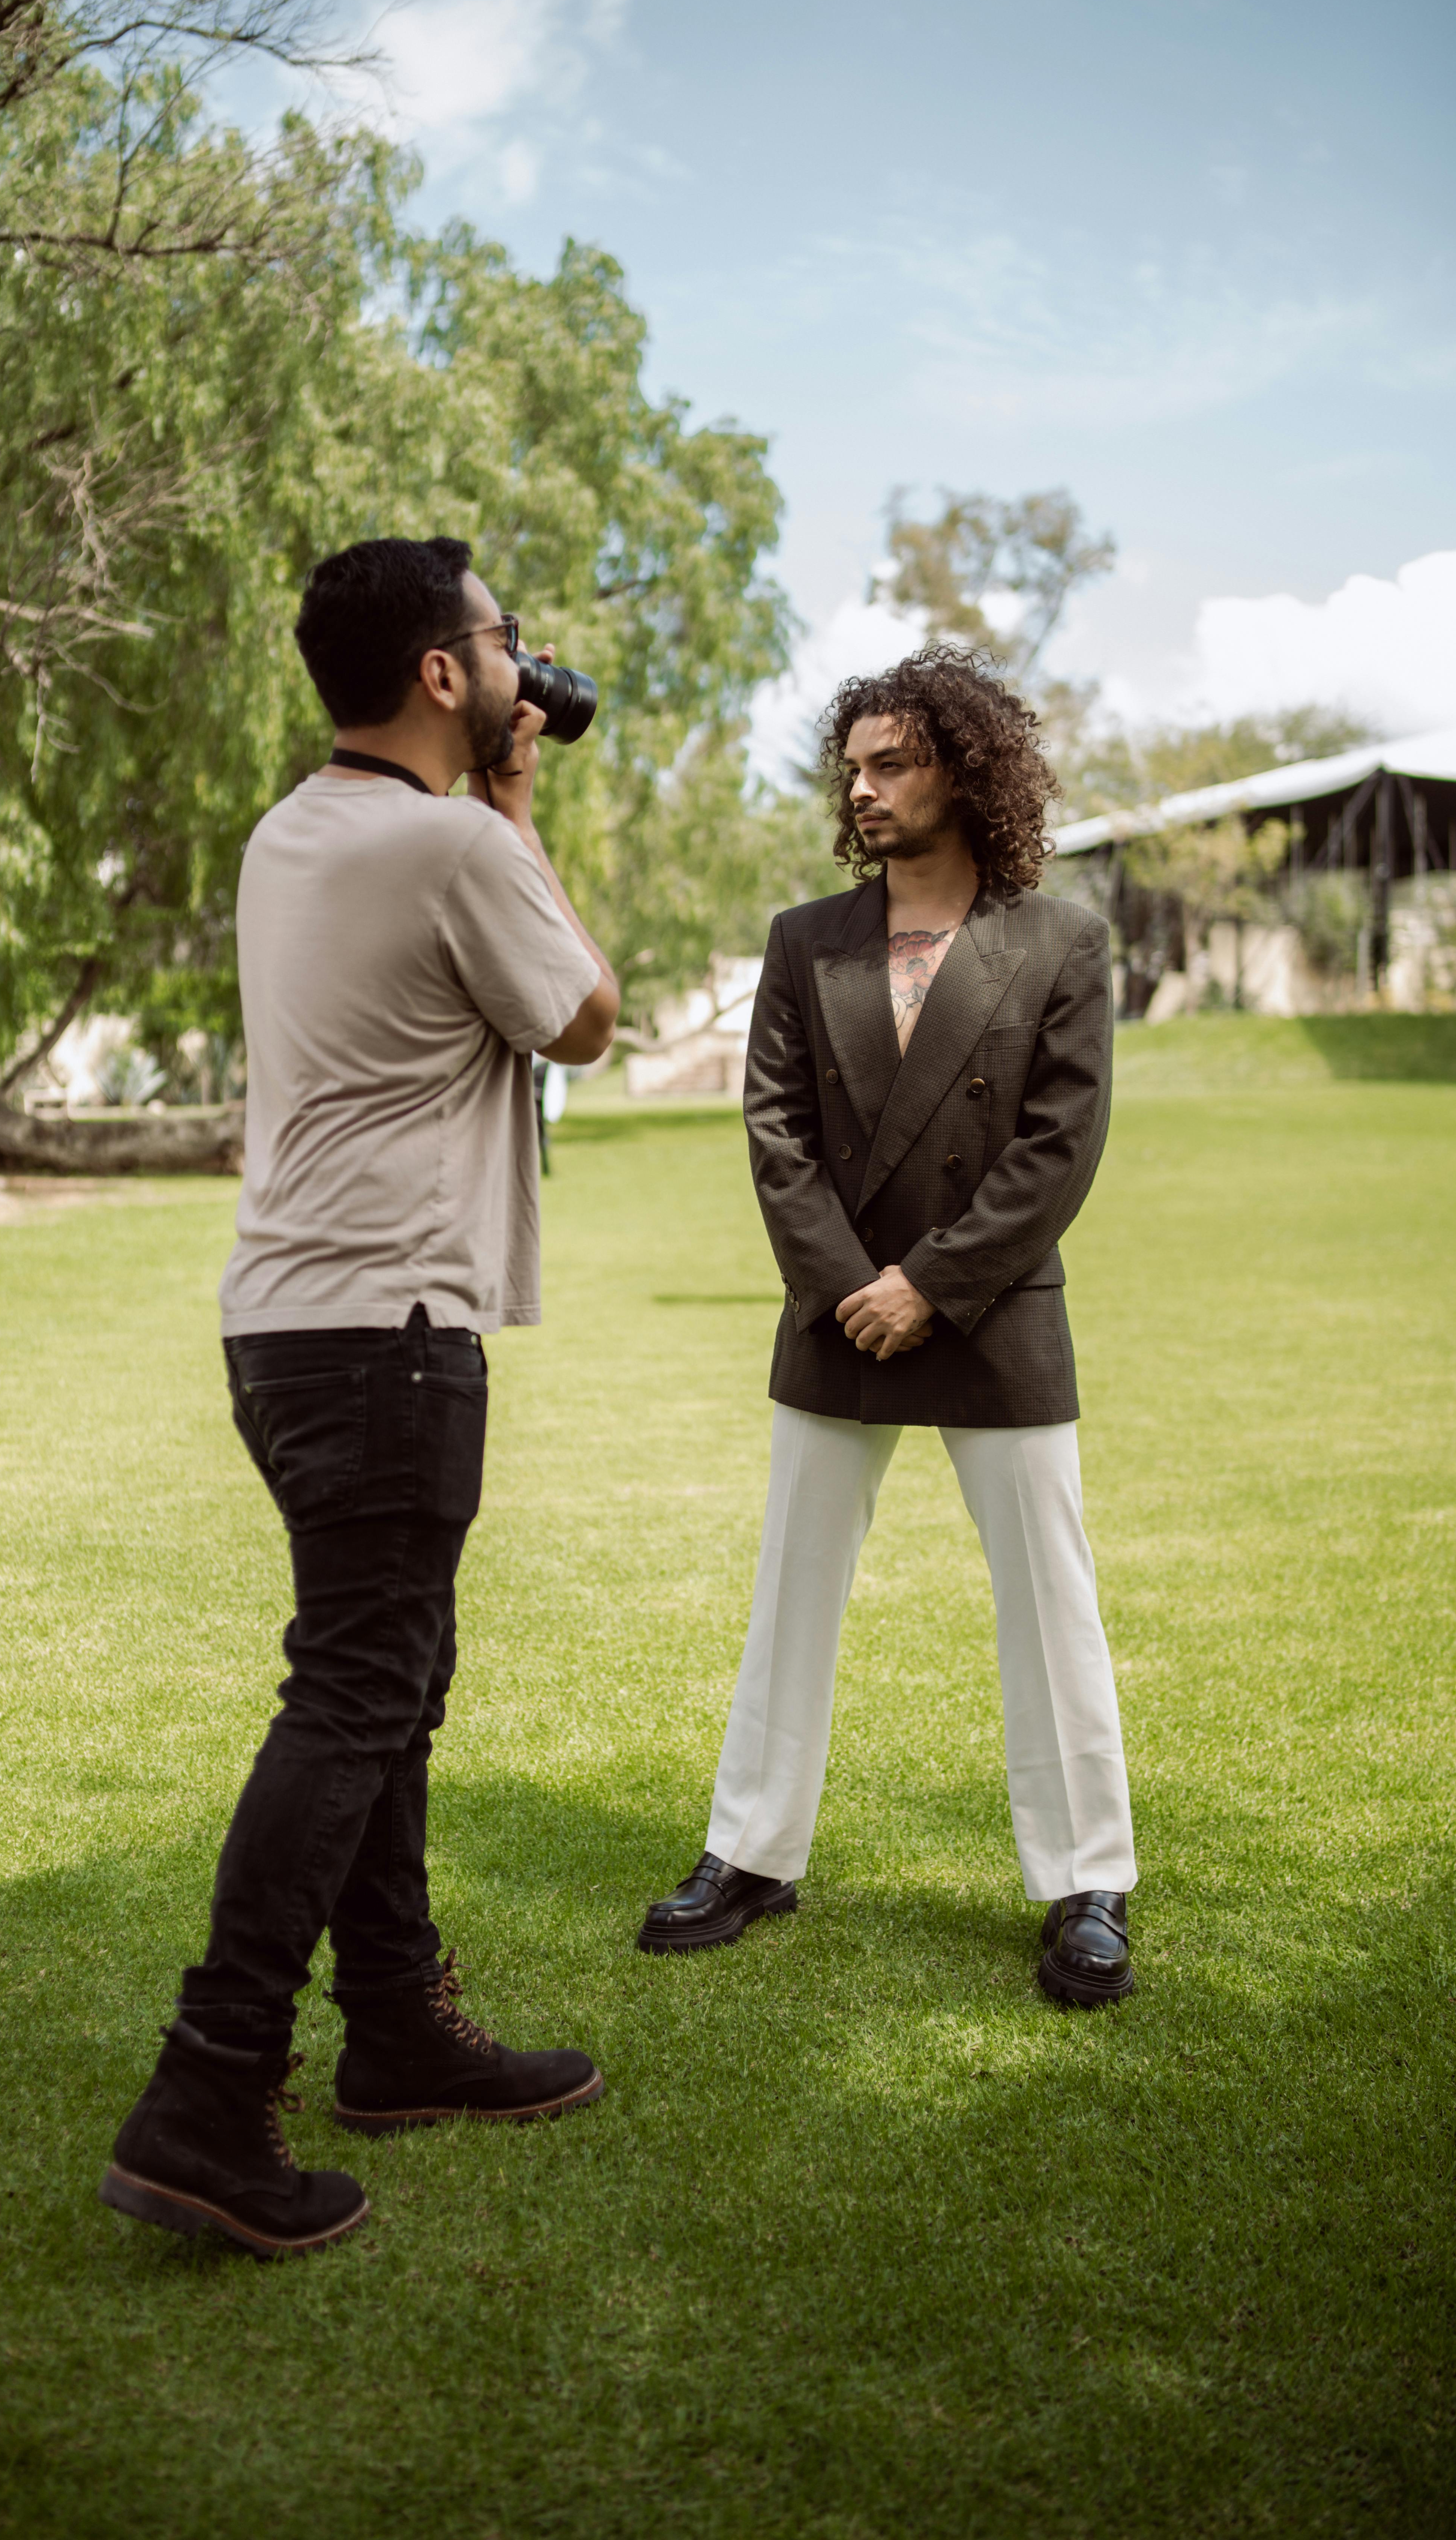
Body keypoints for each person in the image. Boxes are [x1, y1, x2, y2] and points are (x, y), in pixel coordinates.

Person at [101, 536, 619, 2259]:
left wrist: (493, 801)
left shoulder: (295, 831)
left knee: (390, 1683)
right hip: (387, 1332)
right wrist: (519, 807)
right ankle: (207, 2094)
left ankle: (395, 2025)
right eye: (503, 639)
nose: (524, 665)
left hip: (289, 1328)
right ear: (444, 672)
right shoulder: (452, 842)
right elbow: (584, 1018)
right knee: (355, 1695)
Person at [638, 647, 1137, 2008]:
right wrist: (855, 1284)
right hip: (839, 1305)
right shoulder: (807, 940)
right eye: (851, 767)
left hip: (993, 1304)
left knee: (1052, 1598)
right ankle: (751, 1854)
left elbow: (1059, 1148)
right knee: (791, 1587)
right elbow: (777, 1133)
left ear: (963, 772)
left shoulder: (1062, 941)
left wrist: (933, 1283)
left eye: (892, 763)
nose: (861, 789)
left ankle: (1088, 1883)